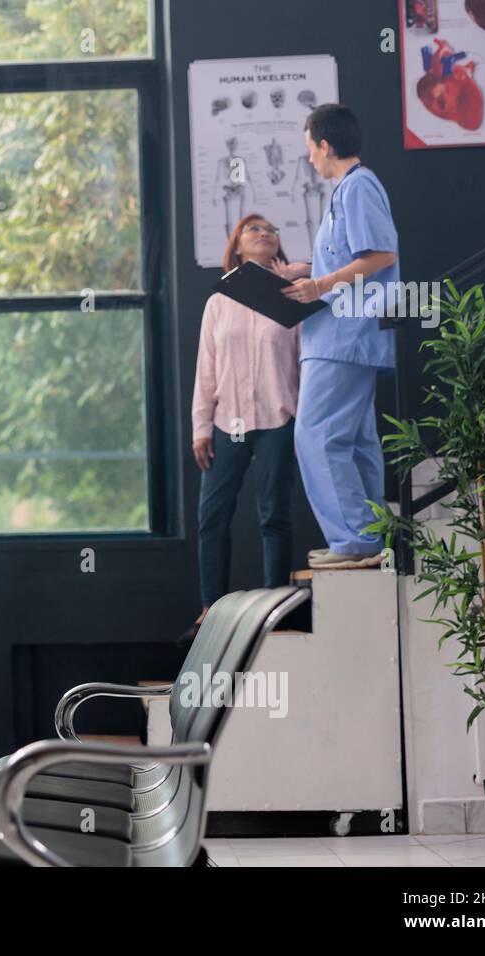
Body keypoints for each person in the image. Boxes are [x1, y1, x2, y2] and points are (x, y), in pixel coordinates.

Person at [279, 103, 398, 569]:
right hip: (342, 336)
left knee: (317, 436)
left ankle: (354, 542)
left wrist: (319, 285)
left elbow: (381, 256)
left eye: (310, 149)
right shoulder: (350, 190)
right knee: (355, 440)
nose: (309, 159)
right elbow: (354, 257)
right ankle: (371, 536)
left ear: (325, 146)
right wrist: (310, 271)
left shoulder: (358, 187)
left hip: (342, 338)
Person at [189, 215, 300, 631]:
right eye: (254, 229)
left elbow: (306, 363)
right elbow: (206, 369)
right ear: (237, 246)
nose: (265, 233)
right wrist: (201, 427)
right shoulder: (219, 302)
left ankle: (275, 608)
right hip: (227, 420)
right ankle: (210, 608)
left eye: (272, 230)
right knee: (213, 516)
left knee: (274, 514)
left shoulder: (294, 296)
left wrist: (302, 425)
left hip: (278, 417)